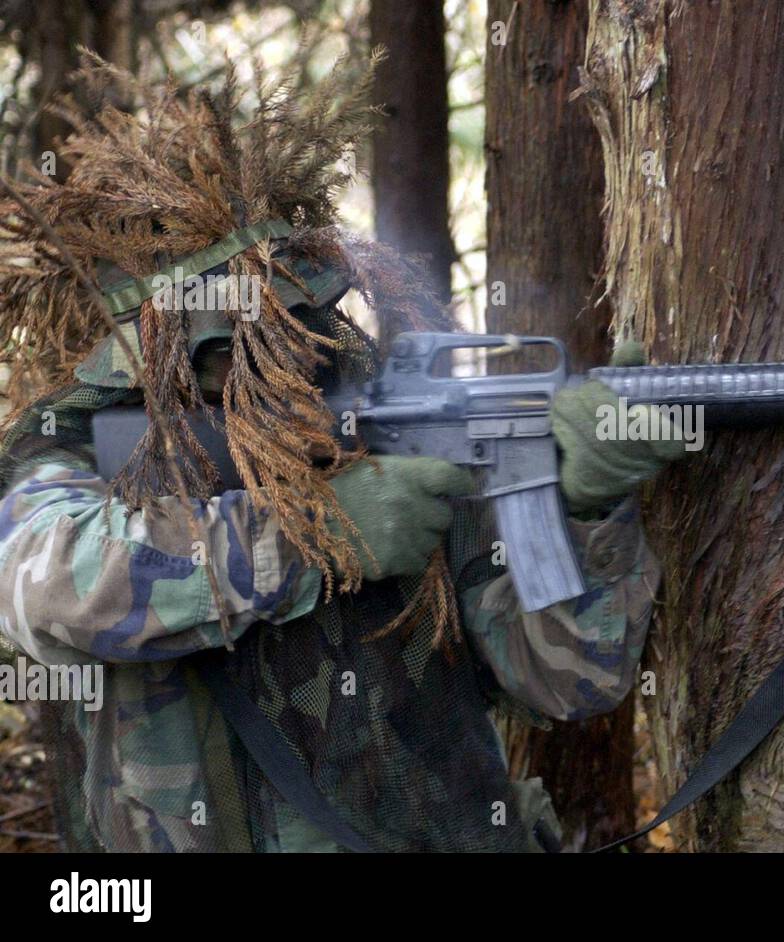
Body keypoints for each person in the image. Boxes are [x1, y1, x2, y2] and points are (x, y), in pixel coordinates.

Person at [0, 57, 681, 852]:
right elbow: (44, 587)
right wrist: (312, 533)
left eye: (292, 321)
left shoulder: (389, 425)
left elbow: (572, 681)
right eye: (224, 343)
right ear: (153, 348)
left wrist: (590, 508)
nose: (270, 360)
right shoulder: (77, 444)